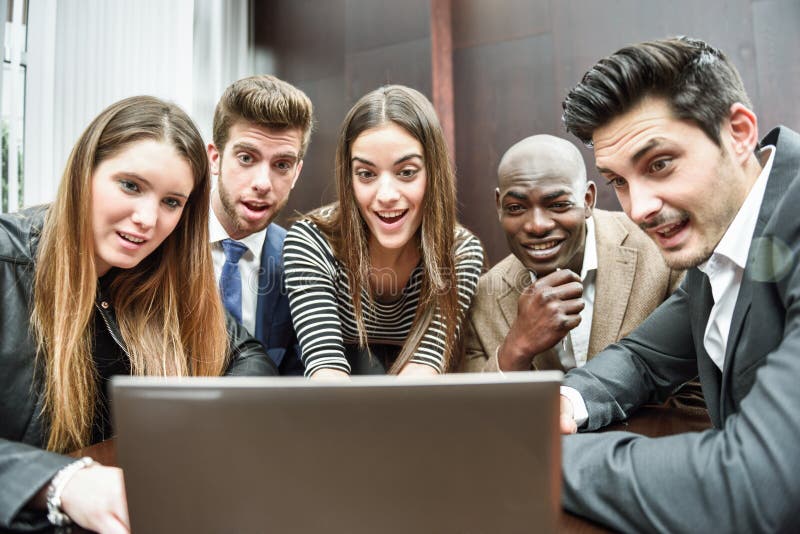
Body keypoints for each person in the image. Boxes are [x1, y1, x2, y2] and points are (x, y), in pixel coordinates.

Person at [0, 96, 276, 533]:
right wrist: (62, 482)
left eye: (171, 202)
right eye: (130, 185)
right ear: (84, 172)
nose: (148, 219)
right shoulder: (6, 260)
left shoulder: (162, 275)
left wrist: (193, 428)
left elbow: (247, 357)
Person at [557, 36, 800, 531]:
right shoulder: (720, 247)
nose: (637, 208)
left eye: (659, 164)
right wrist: (566, 403)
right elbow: (643, 358)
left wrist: (545, 456)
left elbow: (751, 483)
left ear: (737, 132)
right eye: (618, 182)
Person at [283, 85, 484, 377]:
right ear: (348, 178)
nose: (386, 194)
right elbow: (326, 374)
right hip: (332, 416)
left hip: (418, 415)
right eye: (367, 174)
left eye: (406, 172)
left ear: (434, 172)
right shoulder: (312, 240)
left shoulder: (459, 252)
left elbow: (422, 372)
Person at [461, 134, 684, 375]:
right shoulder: (483, 297)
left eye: (557, 205)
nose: (537, 226)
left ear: (587, 200)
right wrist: (516, 348)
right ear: (499, 207)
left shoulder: (660, 249)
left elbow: (697, 392)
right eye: (516, 208)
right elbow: (477, 409)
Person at [208, 75, 313, 375]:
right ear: (215, 159)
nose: (263, 184)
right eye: (246, 158)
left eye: (282, 165)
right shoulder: (162, 239)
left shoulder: (301, 262)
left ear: (296, 172)